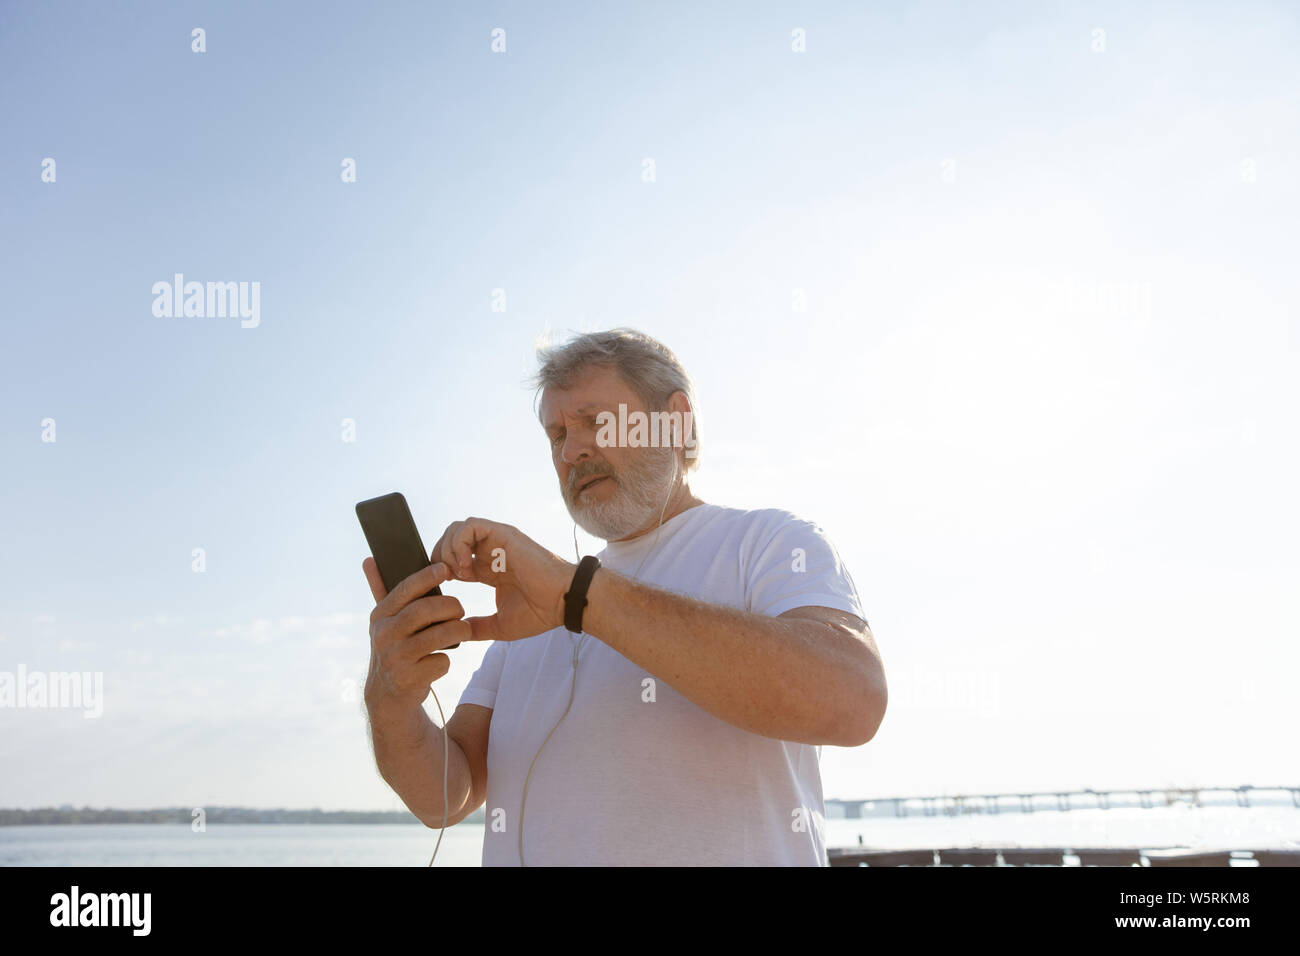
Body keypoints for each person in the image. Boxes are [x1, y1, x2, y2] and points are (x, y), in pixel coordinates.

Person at [362, 328, 886, 865]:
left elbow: (853, 701)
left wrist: (577, 595)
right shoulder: (533, 600)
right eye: (555, 435)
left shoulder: (770, 543)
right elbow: (447, 795)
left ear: (676, 419)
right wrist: (391, 697)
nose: (572, 450)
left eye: (594, 421)